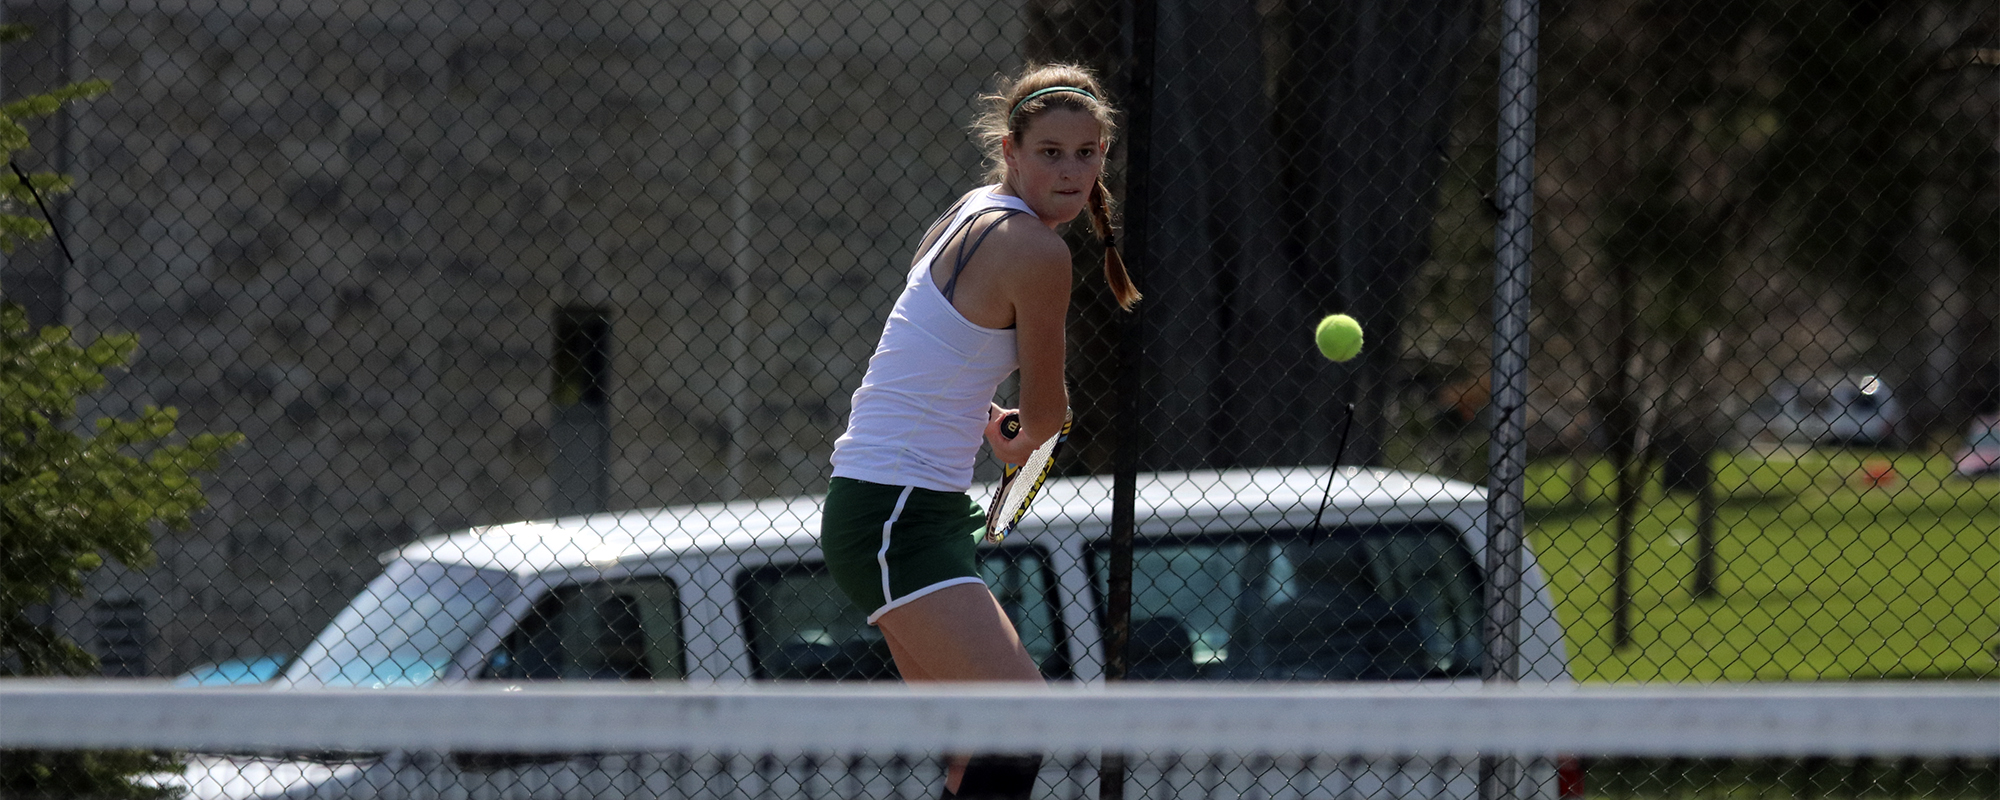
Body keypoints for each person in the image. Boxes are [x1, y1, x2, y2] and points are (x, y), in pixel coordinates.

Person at [819, 63, 1139, 800]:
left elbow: (934, 357)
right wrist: (1024, 438)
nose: (1070, 170)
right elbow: (1050, 417)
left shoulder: (970, 210)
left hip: (896, 506)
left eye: (1085, 153)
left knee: (972, 749)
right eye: (1050, 152)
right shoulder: (1037, 251)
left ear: (1102, 157)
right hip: (892, 513)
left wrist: (996, 428)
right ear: (1011, 150)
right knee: (1018, 728)